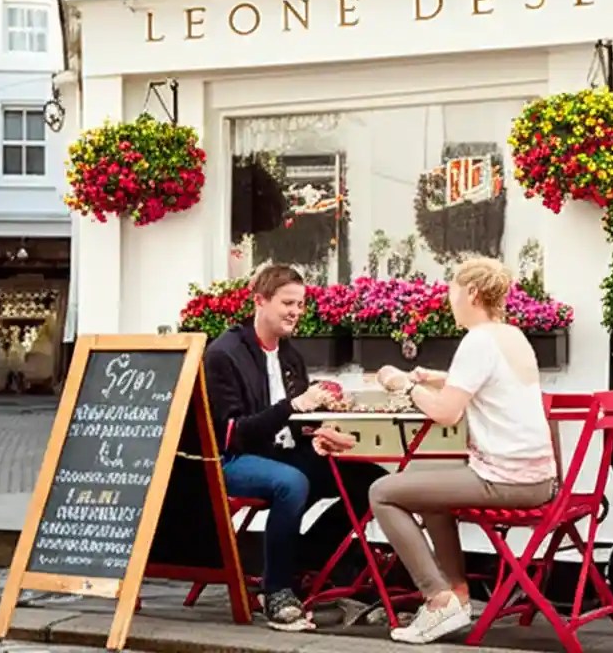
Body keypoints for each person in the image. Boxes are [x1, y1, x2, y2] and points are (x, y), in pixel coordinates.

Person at [368, 257, 558, 644]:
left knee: (383, 492)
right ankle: (456, 594)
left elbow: (446, 413)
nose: (448, 298)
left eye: (452, 289)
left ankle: (438, 600)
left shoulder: (478, 340)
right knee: (428, 495)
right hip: (537, 477)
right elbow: (488, 383)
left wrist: (402, 384)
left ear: (471, 292)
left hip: (507, 481)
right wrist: (438, 378)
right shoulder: (509, 335)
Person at [204, 264, 383, 631]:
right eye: (288, 303)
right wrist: (295, 406)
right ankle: (277, 590)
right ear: (260, 301)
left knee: (373, 481)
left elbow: (295, 423)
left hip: (279, 454)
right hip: (233, 459)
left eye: (300, 305)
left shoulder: (289, 356)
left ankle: (304, 562)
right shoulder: (224, 354)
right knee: (291, 482)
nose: (296, 313)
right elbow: (231, 434)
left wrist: (319, 433)